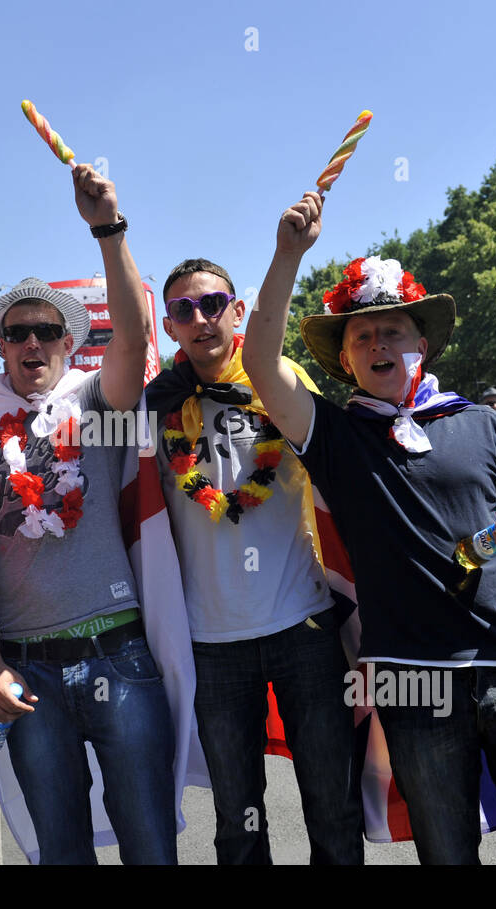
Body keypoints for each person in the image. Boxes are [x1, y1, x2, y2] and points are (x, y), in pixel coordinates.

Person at [242, 190, 496, 864]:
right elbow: (260, 361)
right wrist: (288, 254)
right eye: (362, 335)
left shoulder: (485, 423)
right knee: (447, 853)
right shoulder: (336, 435)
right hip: (416, 681)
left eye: (393, 330)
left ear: (421, 344)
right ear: (344, 360)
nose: (379, 342)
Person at [0, 165, 180, 864]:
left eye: (46, 331)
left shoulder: (95, 403)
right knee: (61, 851)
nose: (32, 343)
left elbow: (137, 340)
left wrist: (108, 230)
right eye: (18, 331)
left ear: (64, 342)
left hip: (119, 650)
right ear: (2, 345)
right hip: (27, 672)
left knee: (150, 842)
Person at [143, 255, 362, 866]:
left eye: (214, 303)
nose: (201, 318)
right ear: (170, 325)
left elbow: (344, 475)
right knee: (238, 823)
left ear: (236, 311)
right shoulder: (155, 410)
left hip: (306, 627)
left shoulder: (281, 379)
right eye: (184, 310)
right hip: (210, 643)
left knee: (333, 807)